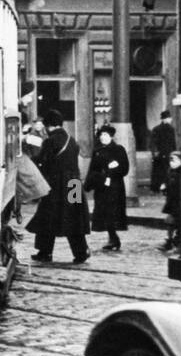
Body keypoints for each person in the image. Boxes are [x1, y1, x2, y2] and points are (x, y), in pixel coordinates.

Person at [27, 109, 91, 264]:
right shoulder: (72, 139)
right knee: (74, 216)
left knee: (47, 216)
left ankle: (44, 252)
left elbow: (43, 162)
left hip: (56, 184)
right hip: (74, 183)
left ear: (49, 125)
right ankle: (81, 251)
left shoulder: (50, 141)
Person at [85, 123, 130, 252]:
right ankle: (112, 238)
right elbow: (92, 169)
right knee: (104, 213)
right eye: (101, 135)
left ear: (111, 136)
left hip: (115, 187)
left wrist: (113, 170)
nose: (103, 137)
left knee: (112, 213)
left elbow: (124, 168)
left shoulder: (118, 150)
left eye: (105, 135)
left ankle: (114, 239)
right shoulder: (97, 151)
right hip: (101, 186)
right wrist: (89, 184)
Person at [150, 111, 176, 193]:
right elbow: (173, 142)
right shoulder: (170, 129)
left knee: (158, 171)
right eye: (169, 118)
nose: (170, 120)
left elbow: (153, 143)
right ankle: (165, 187)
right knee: (166, 170)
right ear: (165, 119)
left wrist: (155, 152)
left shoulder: (156, 129)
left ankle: (156, 187)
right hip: (166, 153)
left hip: (159, 154)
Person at [162, 150, 181, 251]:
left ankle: (176, 241)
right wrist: (164, 186)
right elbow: (167, 182)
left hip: (179, 201)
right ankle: (169, 240)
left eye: (174, 160)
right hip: (172, 201)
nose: (171, 162)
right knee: (170, 222)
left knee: (178, 222)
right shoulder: (170, 171)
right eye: (170, 160)